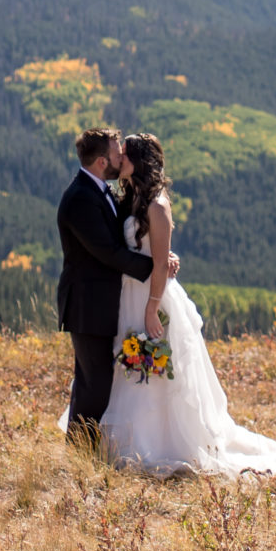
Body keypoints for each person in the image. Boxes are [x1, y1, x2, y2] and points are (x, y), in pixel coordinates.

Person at [96, 132, 276, 478]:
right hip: (129, 295)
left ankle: (159, 443)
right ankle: (132, 443)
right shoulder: (132, 198)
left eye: (125, 155)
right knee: (130, 367)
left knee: (158, 372)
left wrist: (151, 307)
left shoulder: (157, 205)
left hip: (151, 297)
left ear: (139, 161)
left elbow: (158, 263)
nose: (119, 160)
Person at [56, 126, 178, 447]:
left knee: (102, 379)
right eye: (115, 152)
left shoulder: (109, 192)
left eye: (123, 153)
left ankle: (99, 447)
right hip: (88, 305)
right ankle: (81, 453)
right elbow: (108, 252)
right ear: (101, 162)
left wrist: (162, 256)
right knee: (93, 382)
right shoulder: (81, 198)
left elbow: (142, 233)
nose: (119, 156)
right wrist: (157, 268)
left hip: (112, 302)